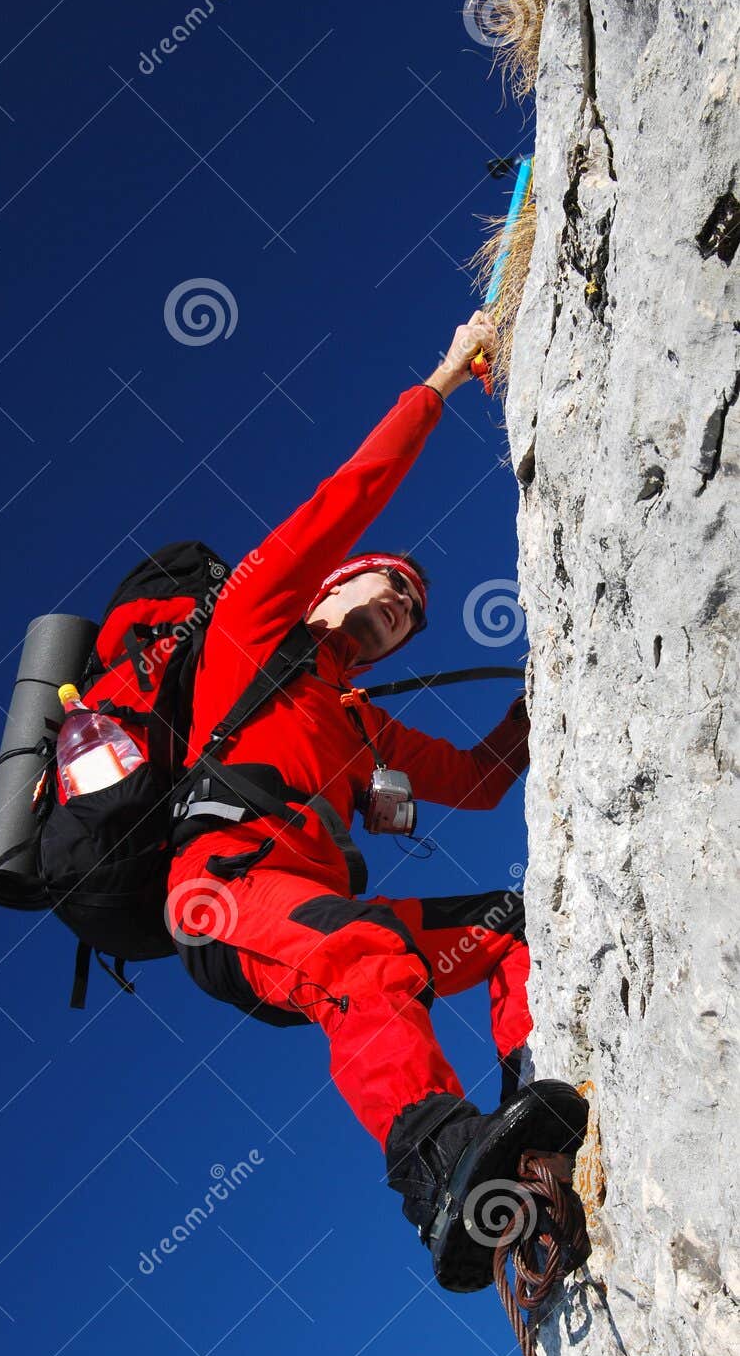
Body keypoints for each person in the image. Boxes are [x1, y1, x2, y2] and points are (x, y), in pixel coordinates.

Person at [167, 312, 587, 1291]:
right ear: (332, 584)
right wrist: (441, 379)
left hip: (313, 907)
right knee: (362, 956)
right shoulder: (250, 629)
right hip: (223, 895)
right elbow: (343, 498)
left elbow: (478, 781)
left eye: (408, 613)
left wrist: (546, 689)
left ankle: (523, 1127)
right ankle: (443, 1173)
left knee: (506, 926)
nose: (399, 606)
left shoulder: (359, 728)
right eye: (387, 584)